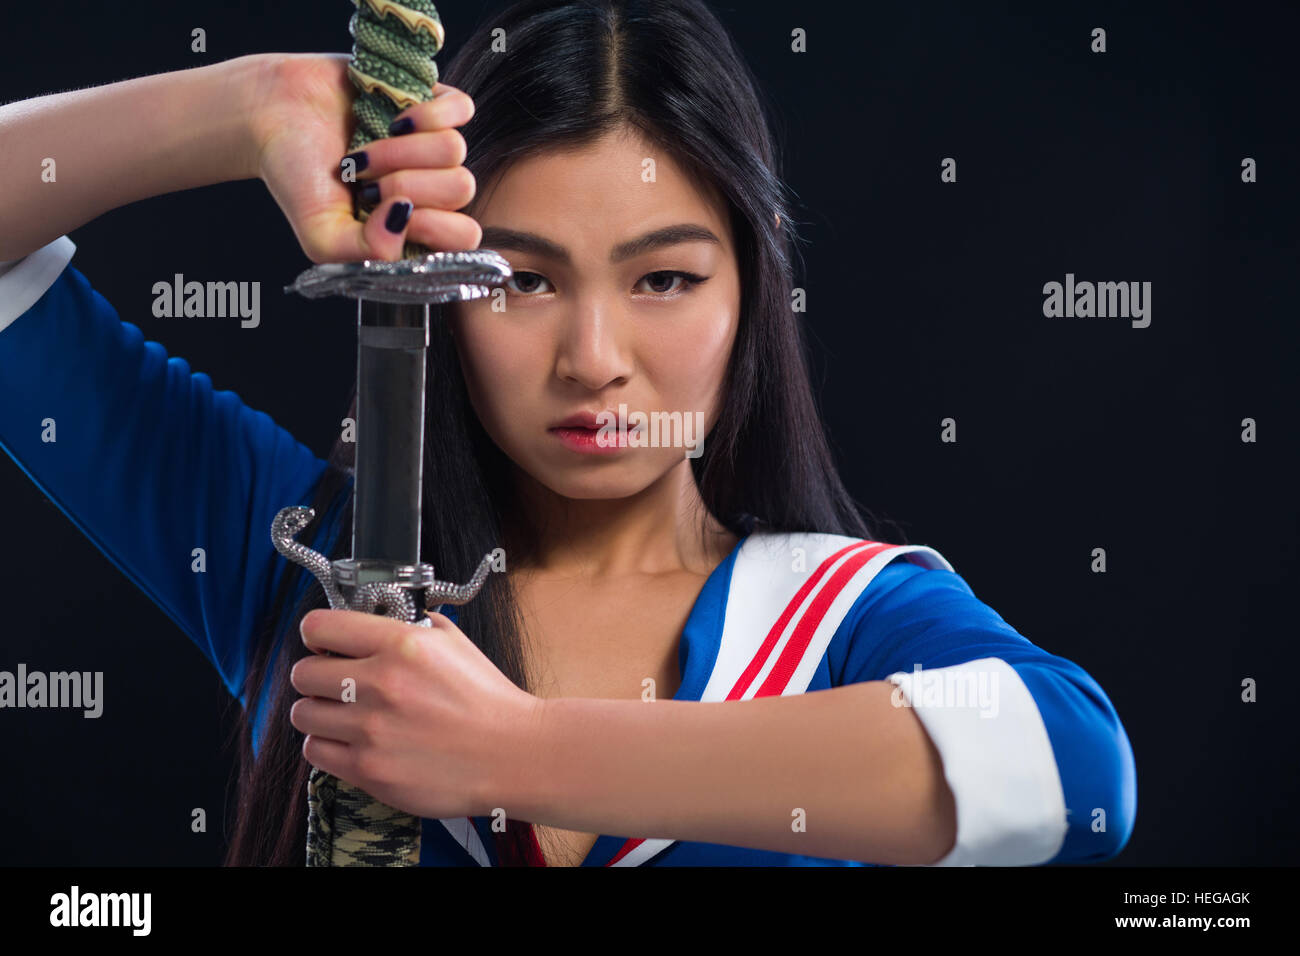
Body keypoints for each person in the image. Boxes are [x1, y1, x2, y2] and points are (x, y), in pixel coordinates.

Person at [0, 0, 1136, 867]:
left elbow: (1074, 770)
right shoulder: (303, 556)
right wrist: (244, 108)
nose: (593, 355)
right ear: (443, 284)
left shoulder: (838, 614)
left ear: (753, 289)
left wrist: (514, 749)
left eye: (665, 277)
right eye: (523, 279)